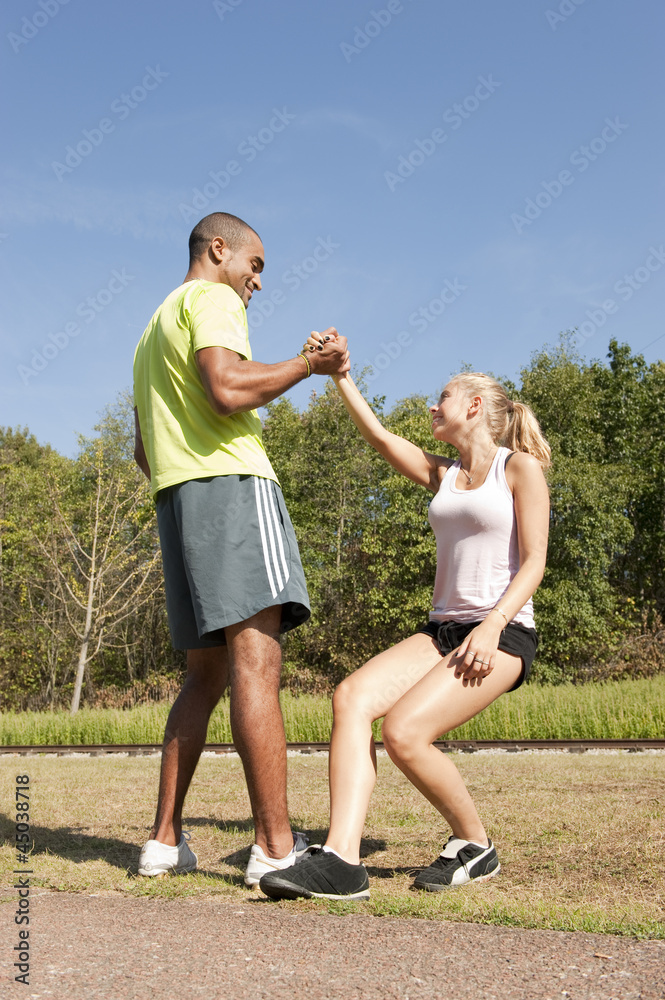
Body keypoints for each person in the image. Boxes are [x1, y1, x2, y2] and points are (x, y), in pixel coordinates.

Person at [260, 357, 550, 900]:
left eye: (442, 396)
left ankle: (475, 843)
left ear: (473, 405)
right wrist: (340, 375)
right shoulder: (442, 474)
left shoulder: (518, 469)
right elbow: (377, 435)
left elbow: (535, 560)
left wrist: (492, 626)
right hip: (441, 629)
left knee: (405, 733)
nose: (431, 406)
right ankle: (342, 859)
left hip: (502, 633)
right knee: (350, 698)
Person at [132, 212, 349, 886]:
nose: (255, 282)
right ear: (218, 250)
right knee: (257, 663)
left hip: (179, 500)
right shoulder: (212, 297)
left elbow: (143, 449)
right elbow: (226, 389)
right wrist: (308, 366)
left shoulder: (151, 329)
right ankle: (276, 848)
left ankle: (164, 843)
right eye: (254, 265)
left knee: (204, 675)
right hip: (231, 489)